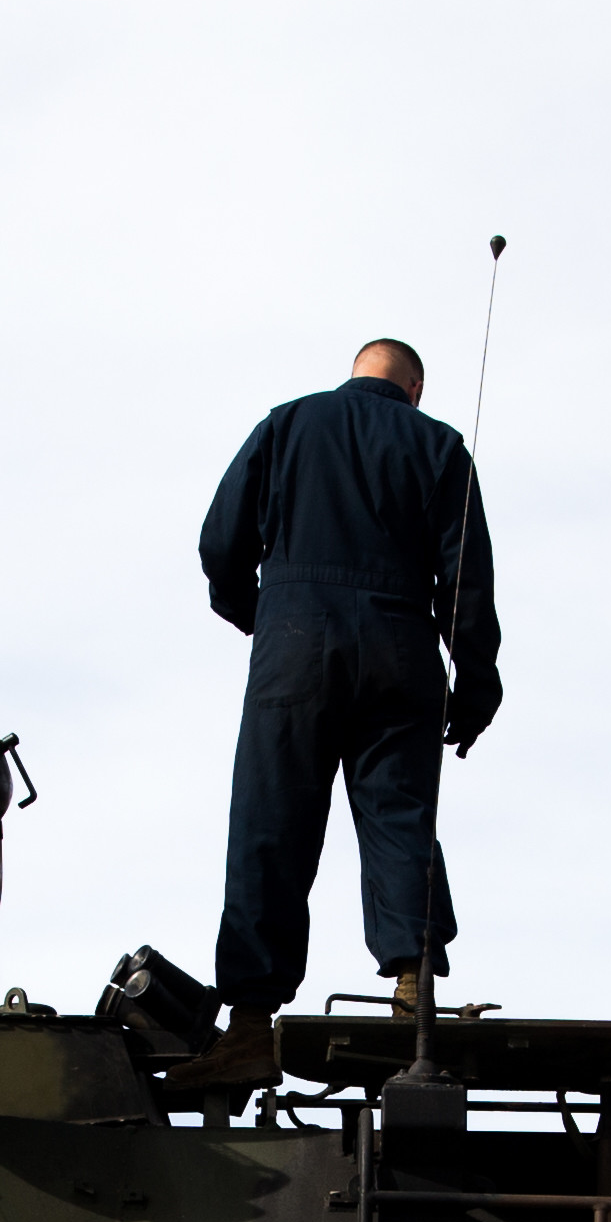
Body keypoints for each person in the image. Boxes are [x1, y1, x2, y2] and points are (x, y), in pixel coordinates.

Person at [181, 335, 503, 1092]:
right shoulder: (441, 447)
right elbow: (466, 583)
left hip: (294, 639)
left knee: (272, 823)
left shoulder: (287, 424)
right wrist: (477, 683)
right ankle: (413, 990)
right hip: (402, 645)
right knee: (399, 817)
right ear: (413, 389)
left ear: (355, 370)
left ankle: (251, 1027)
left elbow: (220, 540)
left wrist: (255, 611)